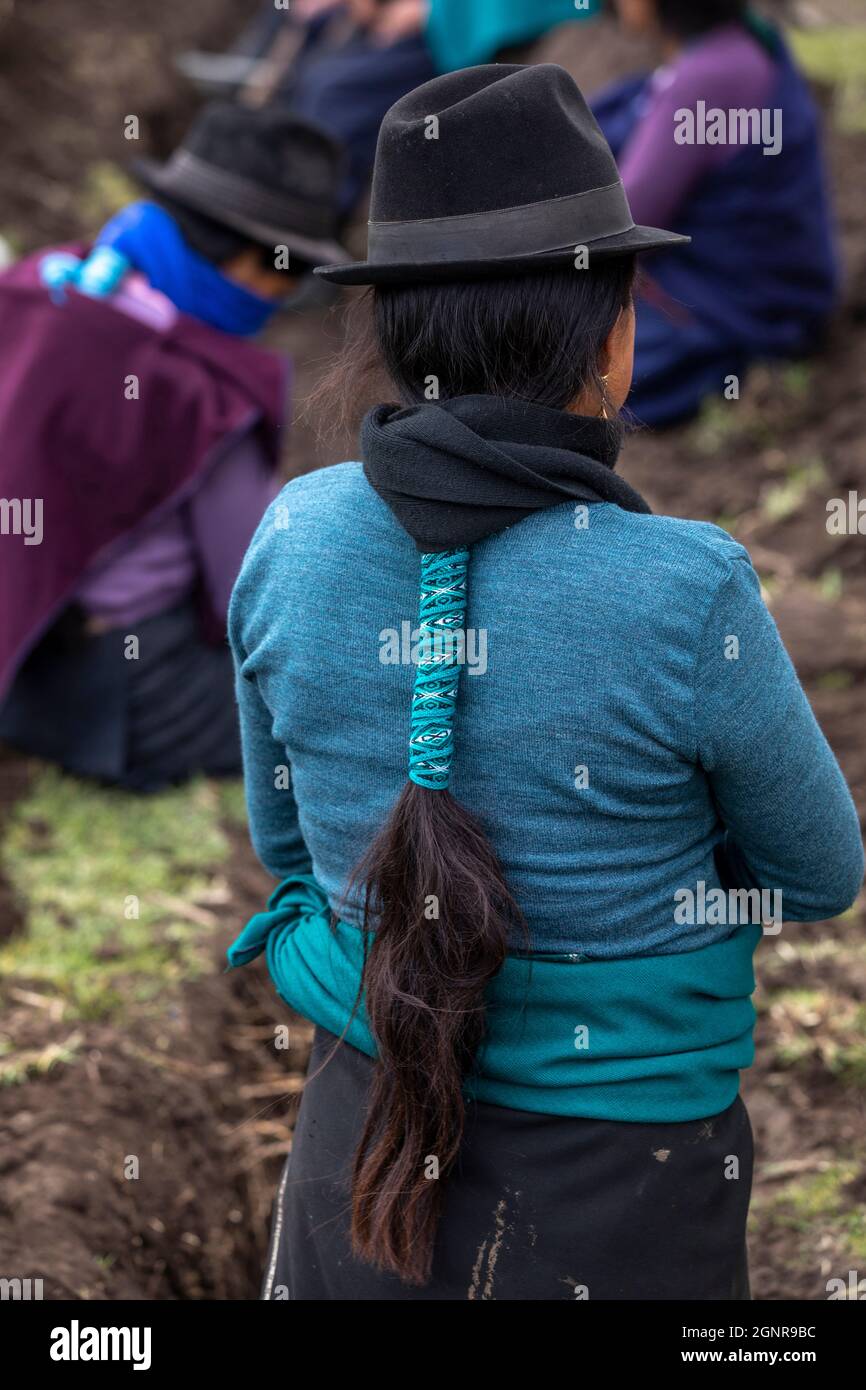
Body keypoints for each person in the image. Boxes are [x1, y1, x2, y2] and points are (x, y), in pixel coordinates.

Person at [226, 64, 863, 1300]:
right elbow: (819, 873)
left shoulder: (290, 535)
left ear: (395, 329)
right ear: (613, 338)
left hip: (354, 1152)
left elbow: (288, 847)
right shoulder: (687, 590)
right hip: (627, 1184)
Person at [0, 102, 348, 792]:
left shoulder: (43, 281)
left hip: (17, 631)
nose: (286, 296)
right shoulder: (201, 391)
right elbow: (246, 596)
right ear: (251, 264)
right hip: (97, 684)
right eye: (291, 272)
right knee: (325, 714)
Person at [591, 0, 840, 426]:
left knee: (559, 375)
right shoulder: (740, 46)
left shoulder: (709, 77)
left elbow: (622, 226)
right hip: (764, 302)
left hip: (729, 320)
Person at [178, 0, 602, 215]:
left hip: (453, 27)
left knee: (334, 93)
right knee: (314, 67)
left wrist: (433, 10)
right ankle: (256, 182)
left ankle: (306, 227)